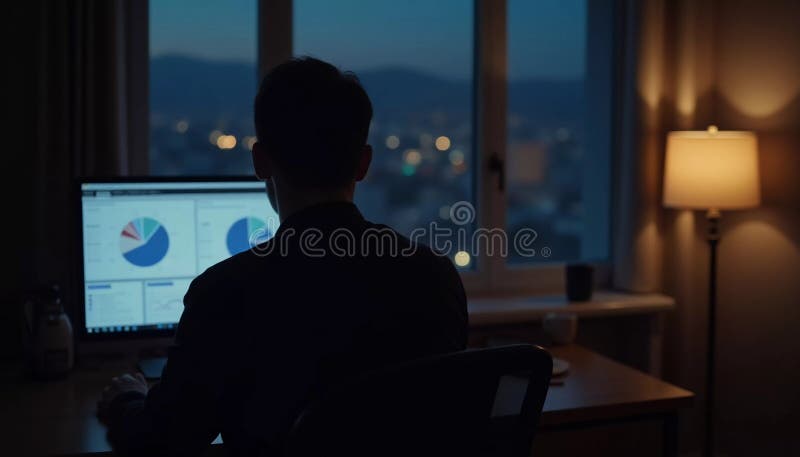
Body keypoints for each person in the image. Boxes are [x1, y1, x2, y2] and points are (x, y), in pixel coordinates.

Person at [96, 57, 468, 456]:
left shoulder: (225, 293)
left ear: (260, 161)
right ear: (363, 164)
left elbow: (162, 440)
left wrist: (126, 401)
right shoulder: (435, 277)